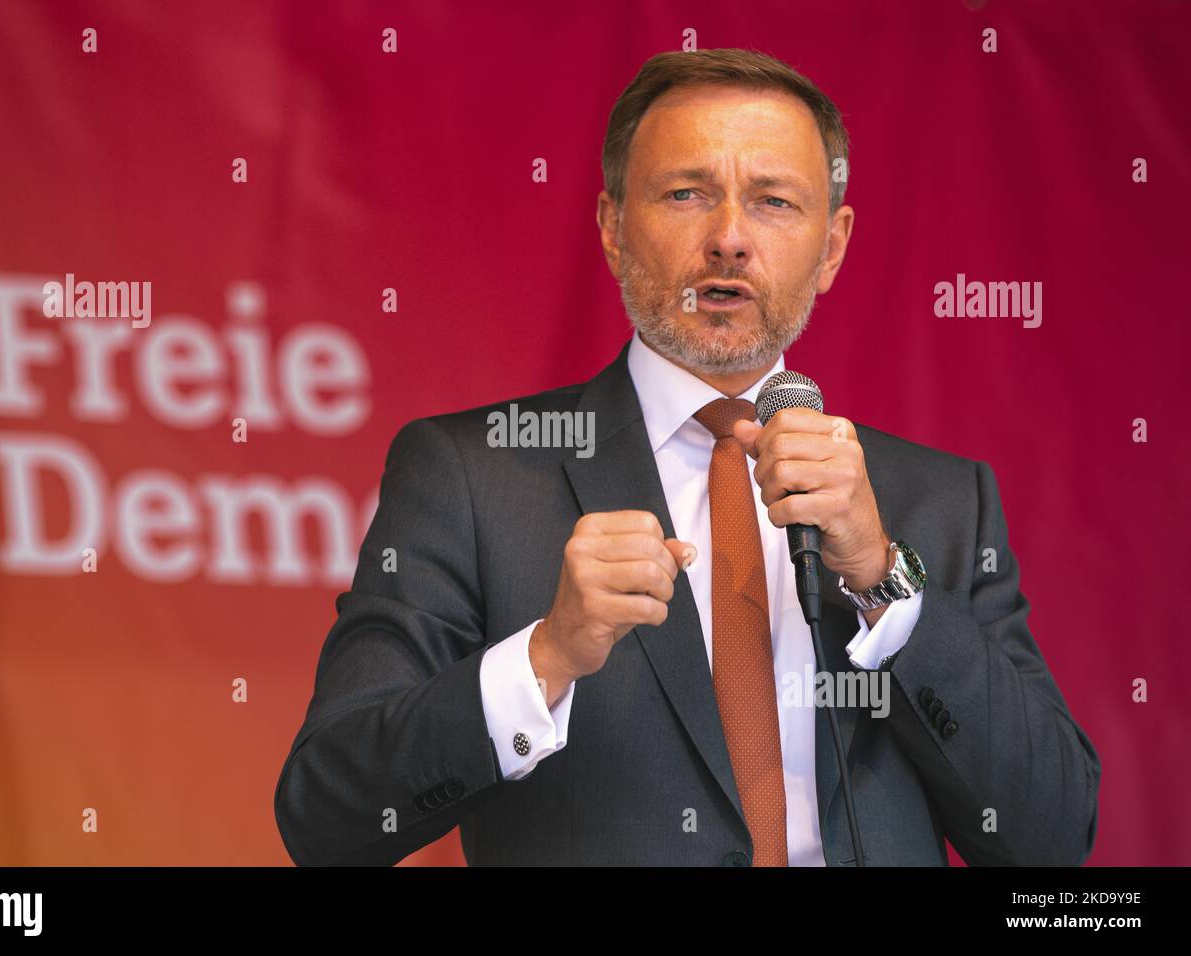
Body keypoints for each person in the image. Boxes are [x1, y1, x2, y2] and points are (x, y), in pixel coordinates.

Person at [274, 47, 1100, 866]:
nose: (730, 240)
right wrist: (548, 655)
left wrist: (887, 584)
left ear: (834, 248)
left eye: (774, 201)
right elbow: (328, 815)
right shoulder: (472, 475)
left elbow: (1052, 838)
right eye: (685, 194)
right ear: (611, 227)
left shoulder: (941, 503)